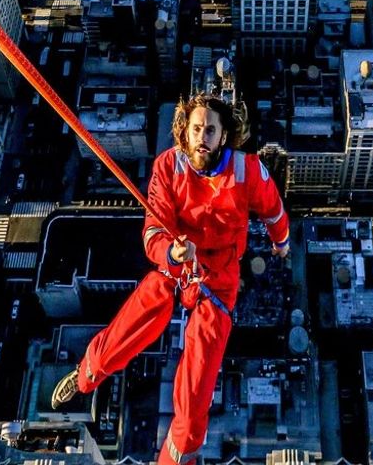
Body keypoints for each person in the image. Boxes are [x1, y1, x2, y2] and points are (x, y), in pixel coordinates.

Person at [50, 94, 290, 464]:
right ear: (186, 131)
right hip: (179, 261)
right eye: (197, 128)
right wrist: (170, 252)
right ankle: (87, 375)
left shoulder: (246, 171)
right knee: (142, 313)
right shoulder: (169, 166)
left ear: (224, 135)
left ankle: (177, 458)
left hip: (219, 274)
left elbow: (273, 208)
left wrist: (282, 243)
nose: (202, 137)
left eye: (211, 130)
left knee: (197, 387)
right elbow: (153, 227)